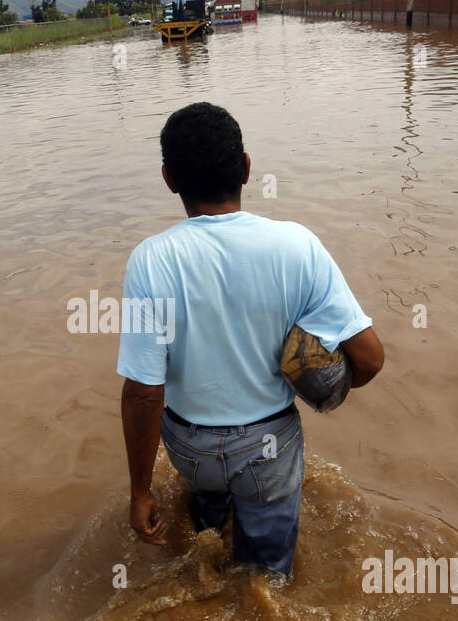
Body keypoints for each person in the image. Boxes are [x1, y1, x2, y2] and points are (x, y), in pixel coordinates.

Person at [117, 102, 384, 577]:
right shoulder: (296, 245)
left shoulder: (150, 259)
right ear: (245, 168)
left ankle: (210, 526)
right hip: (269, 446)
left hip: (189, 447)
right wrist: (328, 385)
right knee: (266, 574)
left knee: (207, 519)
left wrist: (140, 493)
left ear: (168, 179)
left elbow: (142, 390)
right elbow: (370, 358)